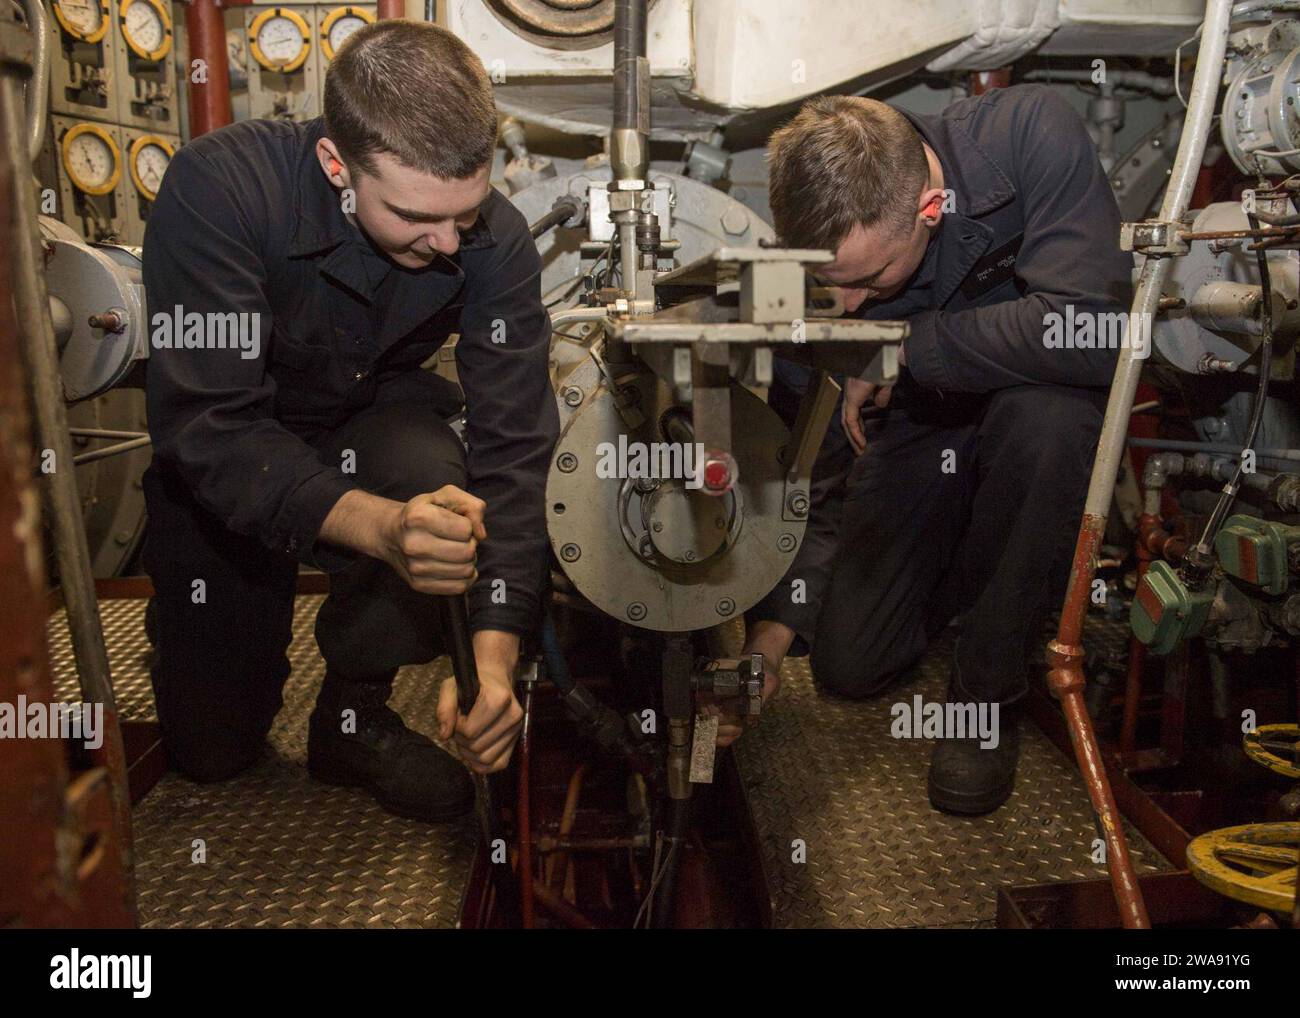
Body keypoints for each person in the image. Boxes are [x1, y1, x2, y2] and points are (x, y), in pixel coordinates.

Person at [141, 20, 558, 822]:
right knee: (213, 751)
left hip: (368, 432)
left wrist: (497, 660)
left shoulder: (491, 239)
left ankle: (352, 714)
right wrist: (385, 529)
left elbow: (514, 449)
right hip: (233, 460)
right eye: (414, 218)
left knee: (428, 470)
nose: (447, 244)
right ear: (337, 164)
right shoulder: (219, 192)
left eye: (463, 215)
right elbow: (211, 426)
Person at [727, 85, 1131, 815]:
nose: (851, 308)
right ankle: (983, 578)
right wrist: (773, 634)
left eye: (871, 280)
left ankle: (988, 686)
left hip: (1035, 414)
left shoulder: (1032, 130)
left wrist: (907, 348)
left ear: (931, 209)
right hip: (933, 418)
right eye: (830, 285)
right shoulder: (849, 245)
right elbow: (821, 472)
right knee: (851, 664)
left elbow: (1094, 332)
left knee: (1047, 428)